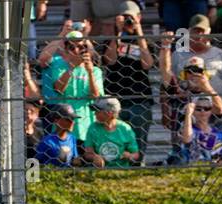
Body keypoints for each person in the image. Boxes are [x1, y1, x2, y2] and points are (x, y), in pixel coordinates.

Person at [101, 2, 155, 156]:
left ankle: (139, 162)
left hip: (140, 96)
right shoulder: (111, 39)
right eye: (124, 17)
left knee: (139, 137)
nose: (128, 21)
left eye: (130, 17)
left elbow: (147, 64)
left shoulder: (146, 40)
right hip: (115, 97)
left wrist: (138, 32)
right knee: (115, 136)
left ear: (139, 17)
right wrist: (117, 32)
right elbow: (109, 60)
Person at [41, 28, 104, 143]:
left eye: (80, 47)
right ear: (65, 50)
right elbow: (59, 89)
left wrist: (89, 72)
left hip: (86, 123)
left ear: (86, 49)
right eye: (71, 47)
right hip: (64, 123)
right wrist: (72, 67)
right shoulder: (59, 66)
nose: (76, 50)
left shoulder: (95, 71)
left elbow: (96, 96)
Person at [83, 95, 140, 165]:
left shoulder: (125, 128)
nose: (95, 114)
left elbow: (136, 154)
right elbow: (88, 154)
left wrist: (130, 156)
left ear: (109, 113)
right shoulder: (93, 128)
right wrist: (95, 157)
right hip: (101, 171)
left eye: (97, 111)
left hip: (122, 170)